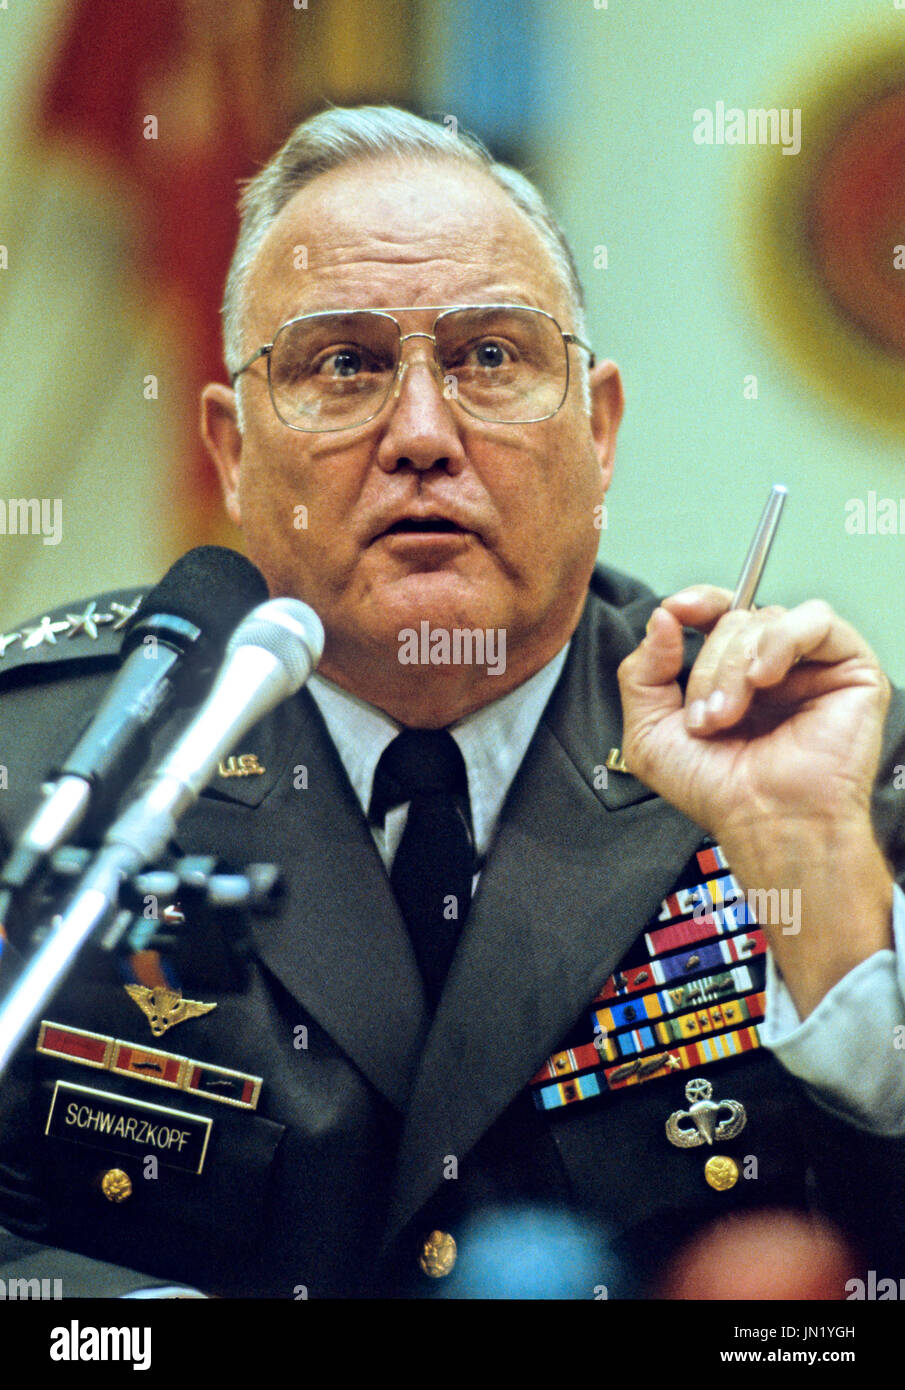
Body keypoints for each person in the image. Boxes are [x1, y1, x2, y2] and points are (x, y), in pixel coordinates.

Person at [1, 104, 904, 1299]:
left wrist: (815, 880)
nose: (422, 434)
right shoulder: (43, 765)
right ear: (227, 452)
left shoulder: (820, 772)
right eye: (344, 364)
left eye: (490, 357)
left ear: (596, 429)